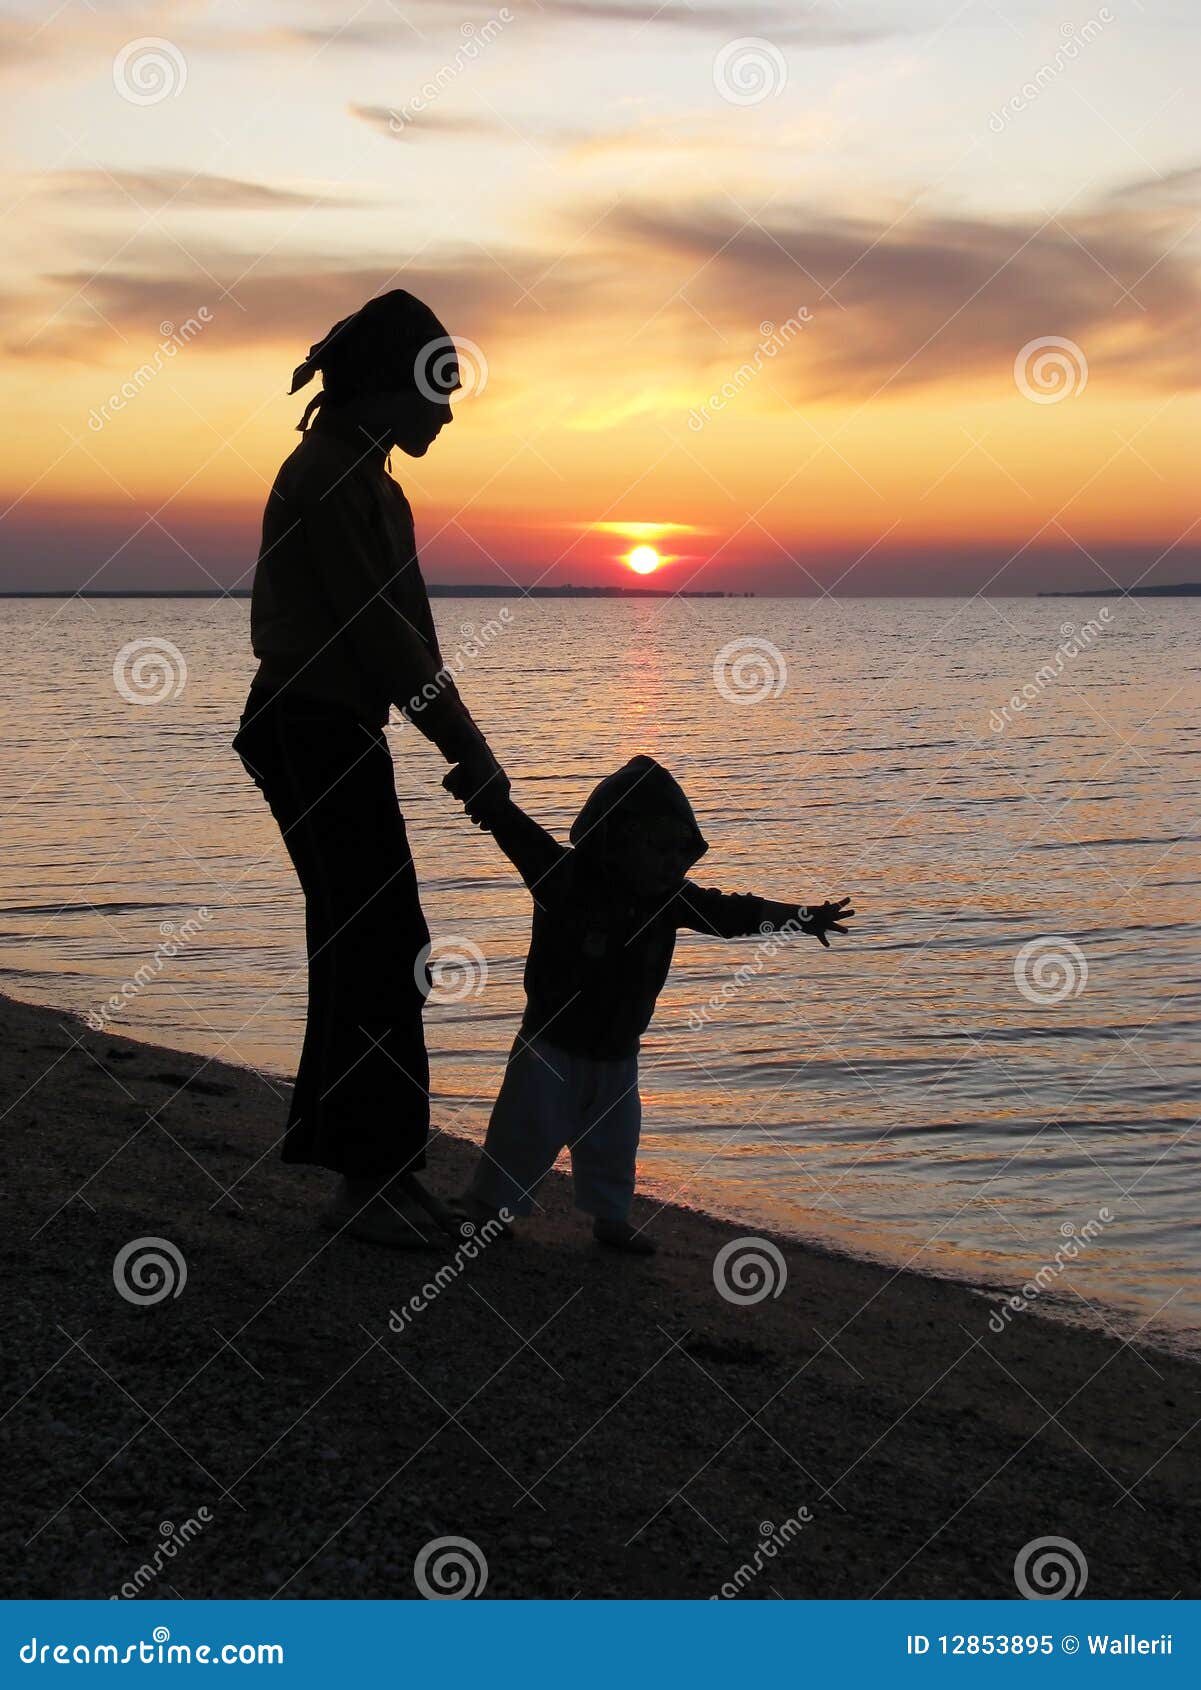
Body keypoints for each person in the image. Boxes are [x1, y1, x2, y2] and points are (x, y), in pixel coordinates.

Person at [233, 289, 507, 1249]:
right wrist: (467, 747)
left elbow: (412, 632)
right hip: (307, 725)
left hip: (336, 727)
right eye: (438, 394)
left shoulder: (374, 483)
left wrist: (464, 741)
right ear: (390, 387)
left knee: (376, 943)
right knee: (380, 946)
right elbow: (379, 636)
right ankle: (367, 1184)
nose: (447, 415)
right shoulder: (328, 476)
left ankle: (382, 1172)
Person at [446, 755, 854, 1253]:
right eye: (659, 848)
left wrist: (800, 917)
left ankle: (611, 1219)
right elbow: (515, 831)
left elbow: (732, 914)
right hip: (548, 1048)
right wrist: (482, 794)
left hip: (619, 1054)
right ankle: (486, 1207)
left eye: (680, 851)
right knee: (523, 1132)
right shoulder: (563, 877)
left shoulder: (669, 899)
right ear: (614, 838)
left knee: (615, 1144)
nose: (672, 863)